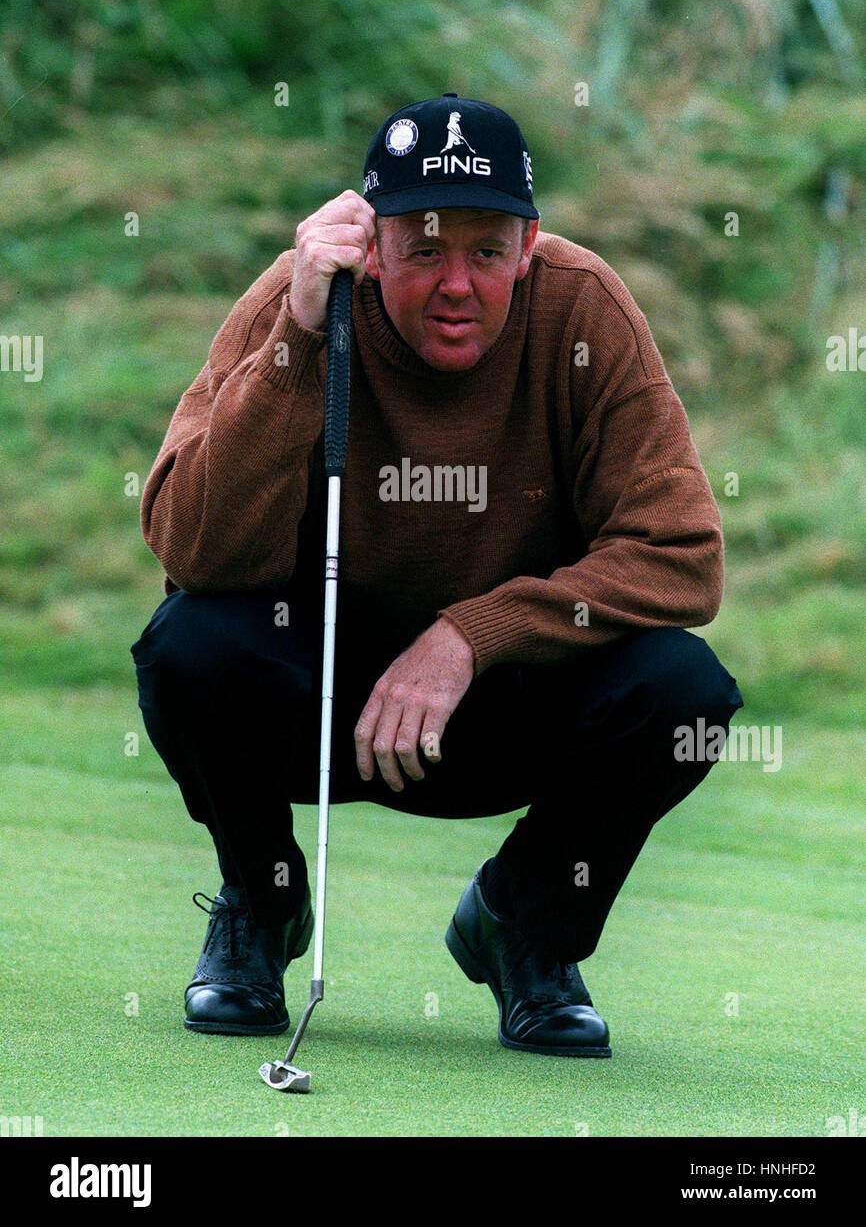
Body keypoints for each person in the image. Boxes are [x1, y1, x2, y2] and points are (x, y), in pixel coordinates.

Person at [131, 92, 743, 1057]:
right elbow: (193, 547)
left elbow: (682, 555)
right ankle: (263, 905)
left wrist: (475, 632)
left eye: (486, 252)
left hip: (502, 708)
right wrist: (296, 343)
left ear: (529, 245)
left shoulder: (587, 311)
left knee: (685, 689)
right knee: (187, 648)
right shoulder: (299, 299)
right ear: (372, 248)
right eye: (423, 250)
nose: (456, 283)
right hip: (315, 689)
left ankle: (526, 929)